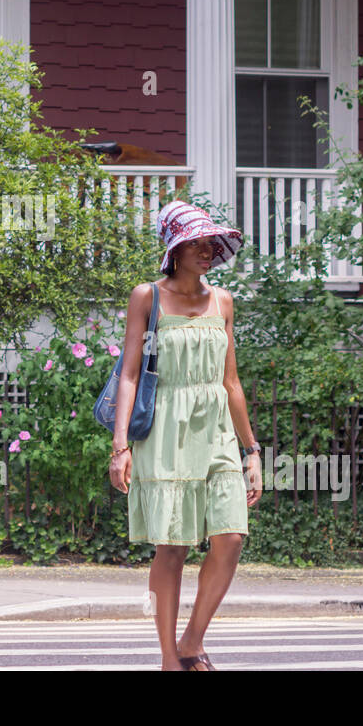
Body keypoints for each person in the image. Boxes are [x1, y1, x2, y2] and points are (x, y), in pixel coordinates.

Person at [108, 199, 263, 671]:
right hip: (166, 431)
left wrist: (251, 450)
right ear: (174, 250)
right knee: (171, 546)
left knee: (231, 536)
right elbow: (130, 375)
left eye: (211, 242)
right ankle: (169, 658)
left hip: (215, 429)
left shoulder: (223, 302)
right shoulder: (147, 297)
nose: (207, 250)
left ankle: (193, 640)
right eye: (196, 242)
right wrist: (120, 447)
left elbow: (231, 381)